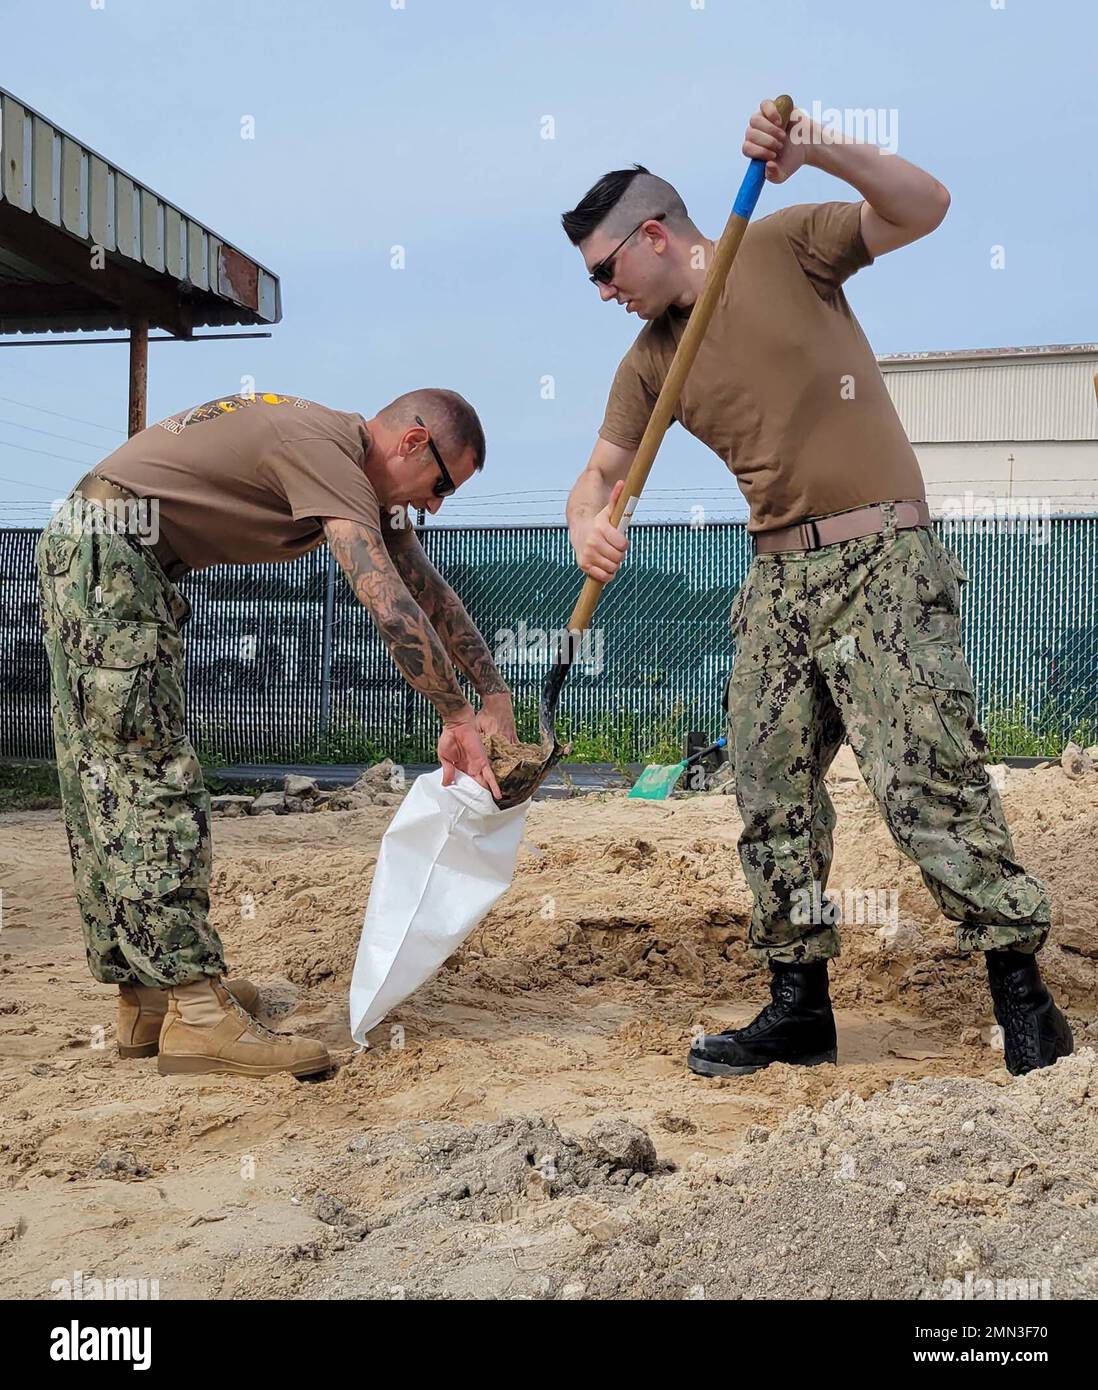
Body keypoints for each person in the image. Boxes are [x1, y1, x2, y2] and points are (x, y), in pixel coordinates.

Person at [560, 101, 1072, 1079]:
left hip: (881, 556)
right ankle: (799, 1008)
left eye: (603, 270)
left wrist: (817, 151)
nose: (602, 291)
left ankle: (1024, 1001)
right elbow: (599, 473)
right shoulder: (649, 362)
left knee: (925, 785)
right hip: (776, 578)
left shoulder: (784, 243)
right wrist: (588, 520)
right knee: (767, 784)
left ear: (653, 235)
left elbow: (925, 203)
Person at [36, 387, 516, 1079]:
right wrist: (453, 715)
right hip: (110, 554)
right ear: (412, 442)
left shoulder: (350, 472)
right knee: (148, 780)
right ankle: (198, 1017)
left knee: (109, 780)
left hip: (107, 551)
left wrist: (492, 691)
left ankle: (149, 996)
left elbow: (426, 587)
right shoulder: (327, 452)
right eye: (440, 484)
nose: (436, 504)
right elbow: (382, 593)